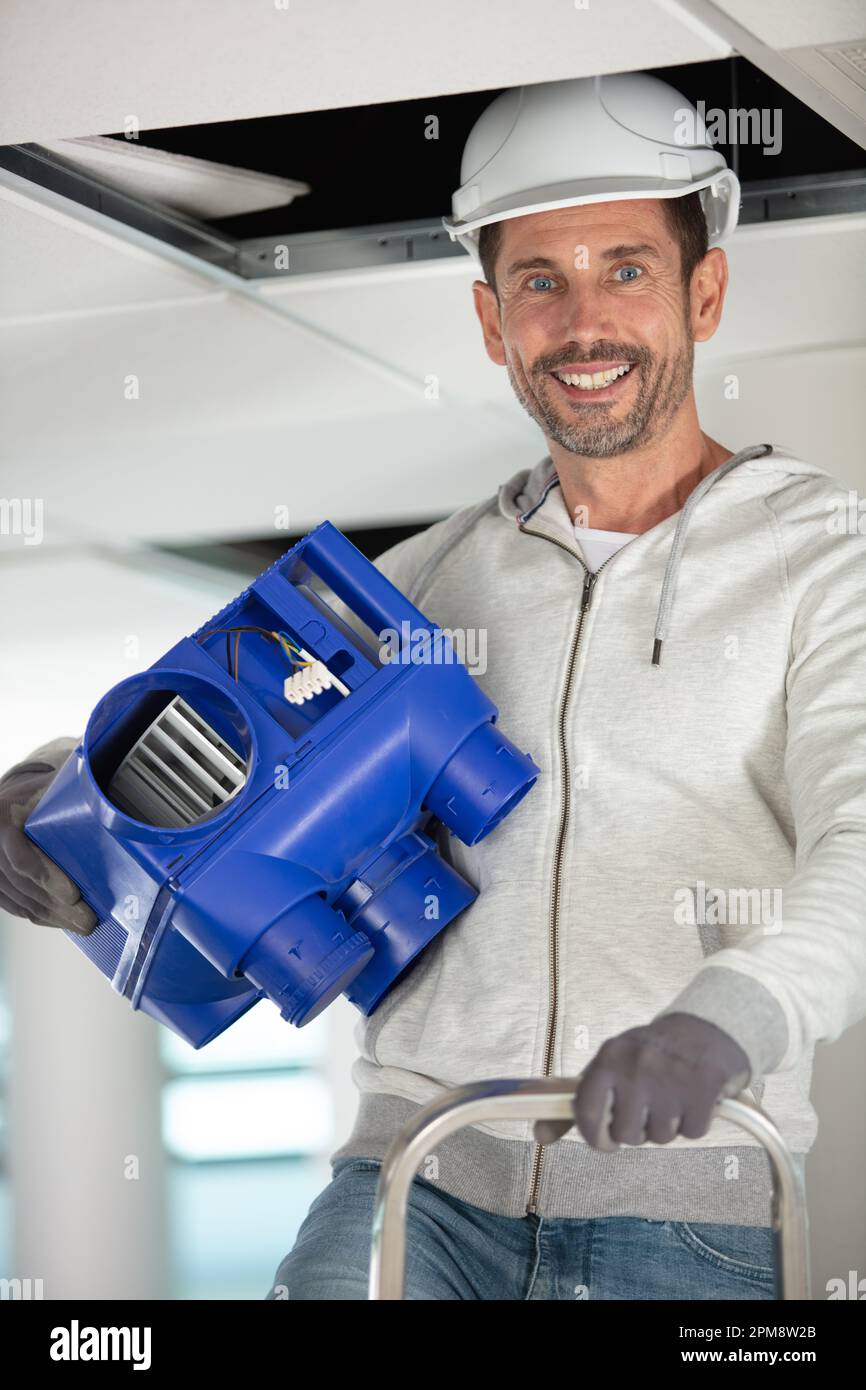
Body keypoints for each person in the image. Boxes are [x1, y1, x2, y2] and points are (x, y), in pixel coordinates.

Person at [2, 73, 864, 1301]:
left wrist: (729, 1013)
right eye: (538, 281)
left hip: (689, 1207)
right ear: (487, 317)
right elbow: (211, 778)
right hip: (416, 1179)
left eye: (624, 268)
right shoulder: (405, 593)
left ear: (702, 291)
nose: (582, 324)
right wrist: (57, 807)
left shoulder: (825, 554)